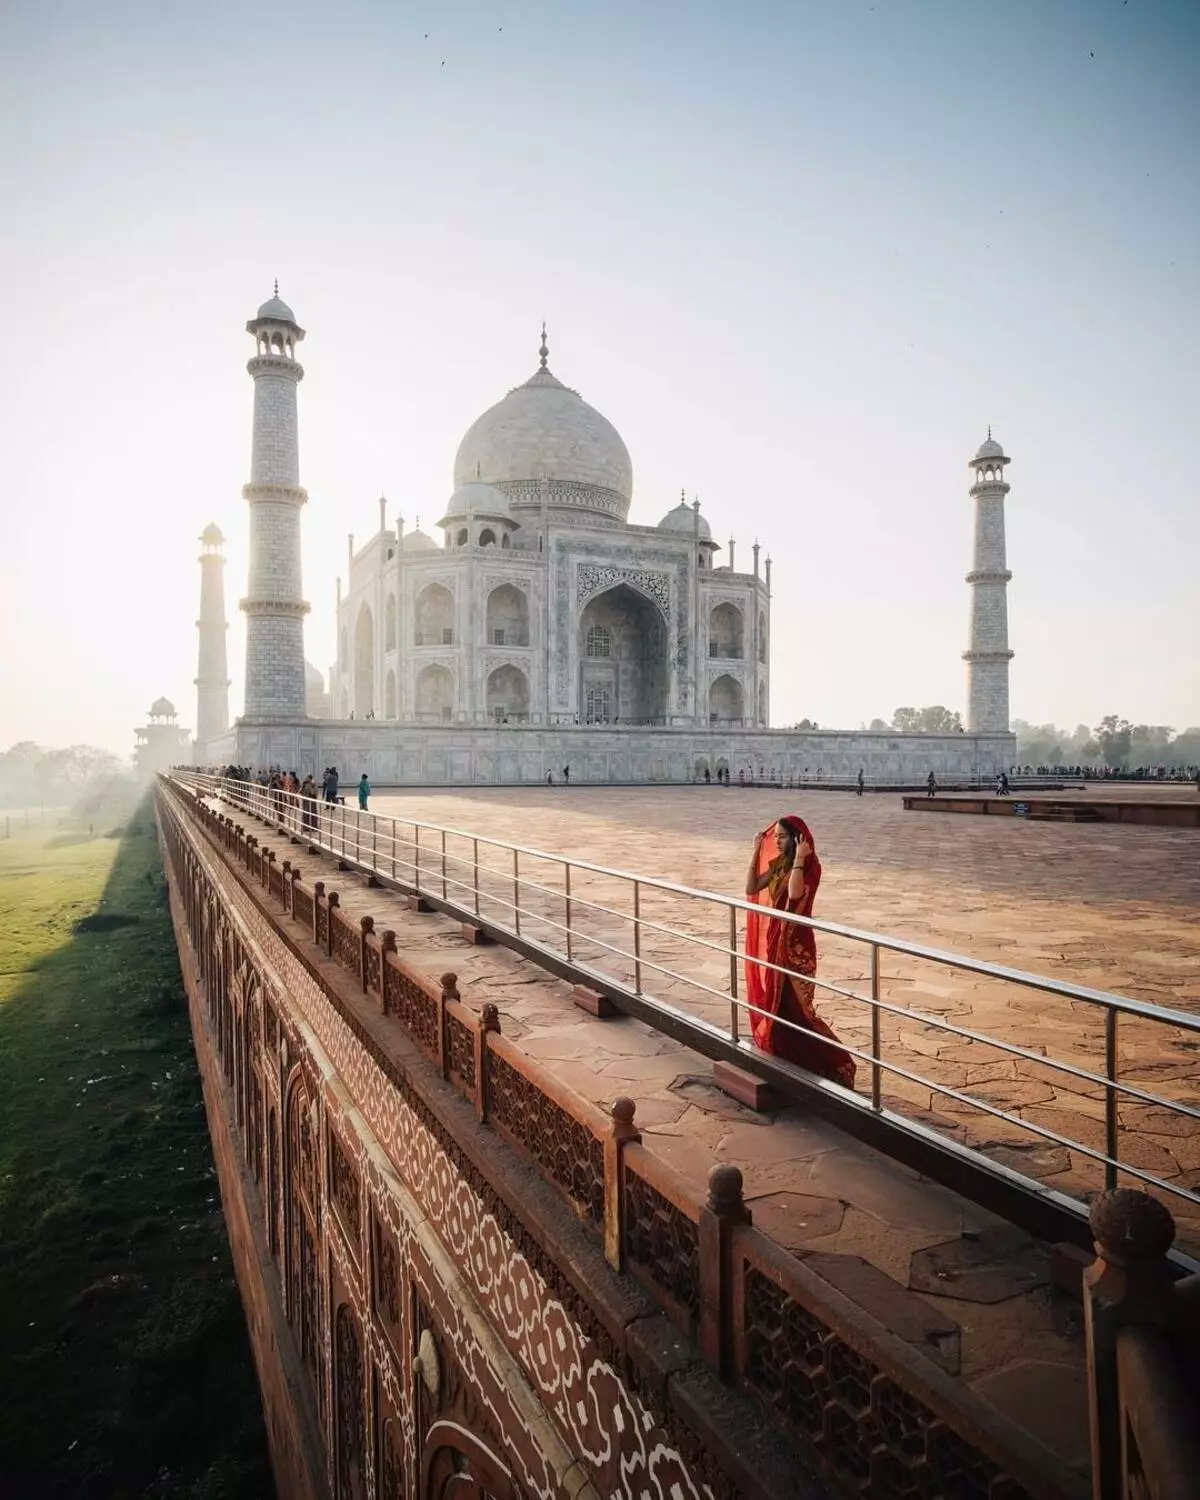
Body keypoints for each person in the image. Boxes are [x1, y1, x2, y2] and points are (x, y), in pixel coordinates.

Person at [743, 816, 856, 1089]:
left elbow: (795, 895)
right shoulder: (780, 864)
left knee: (800, 1010)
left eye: (783, 837)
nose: (777, 841)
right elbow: (751, 888)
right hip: (776, 939)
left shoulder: (810, 866)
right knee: (778, 1006)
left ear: (798, 839)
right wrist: (756, 850)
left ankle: (837, 1062)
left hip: (796, 945)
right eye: (776, 837)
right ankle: (788, 1057)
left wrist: (800, 859)